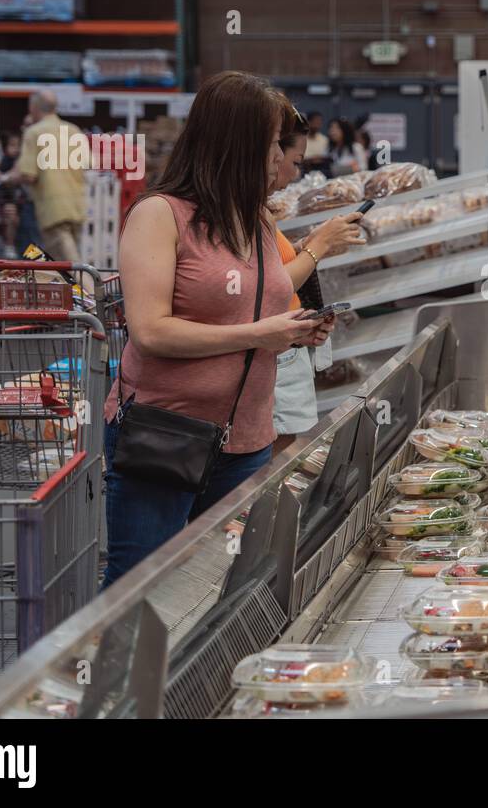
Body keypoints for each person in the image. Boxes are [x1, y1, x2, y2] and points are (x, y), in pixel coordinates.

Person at [100, 71, 336, 588]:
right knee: (139, 585)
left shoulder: (253, 219)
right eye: (274, 143)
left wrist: (294, 330)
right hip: (166, 434)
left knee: (221, 580)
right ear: (238, 143)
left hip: (248, 439)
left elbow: (256, 310)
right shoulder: (160, 216)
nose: (282, 157)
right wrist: (260, 335)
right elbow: (151, 331)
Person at [269, 102, 366, 455]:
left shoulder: (258, 214)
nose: (291, 173)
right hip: (273, 363)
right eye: (292, 161)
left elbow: (265, 274)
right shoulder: (235, 213)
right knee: (264, 479)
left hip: (283, 355)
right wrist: (318, 247)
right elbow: (268, 287)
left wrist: (305, 246)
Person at [15, 90, 87, 263]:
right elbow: (87, 164)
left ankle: (92, 291)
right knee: (62, 265)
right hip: (76, 206)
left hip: (52, 210)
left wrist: (9, 178)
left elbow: (28, 175)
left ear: (33, 108)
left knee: (70, 267)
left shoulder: (34, 133)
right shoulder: (73, 130)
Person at [0, 130, 43, 257]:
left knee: (24, 229)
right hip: (10, 197)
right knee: (13, 220)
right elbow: (9, 176)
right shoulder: (7, 161)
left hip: (22, 200)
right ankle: (12, 246)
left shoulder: (22, 159)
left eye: (18, 145)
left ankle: (32, 261)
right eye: (12, 145)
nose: (16, 149)